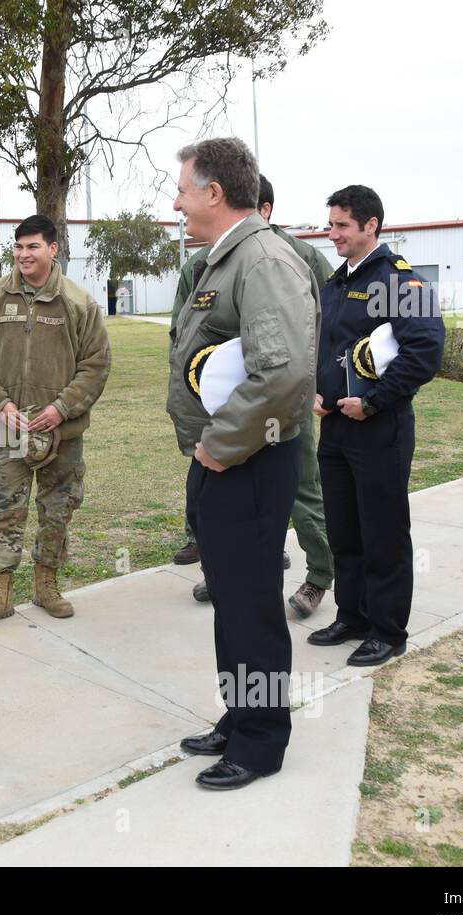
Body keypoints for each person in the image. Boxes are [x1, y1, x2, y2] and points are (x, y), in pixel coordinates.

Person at [167, 139, 318, 790]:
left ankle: (260, 743)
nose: (175, 201)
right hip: (225, 459)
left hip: (248, 460)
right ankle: (241, 713)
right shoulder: (224, 259)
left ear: (213, 193)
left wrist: (218, 446)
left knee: (252, 604)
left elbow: (282, 374)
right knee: (230, 600)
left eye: (182, 189)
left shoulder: (262, 260)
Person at [172, 175, 334, 618]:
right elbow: (181, 335)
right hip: (223, 409)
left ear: (263, 209)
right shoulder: (201, 263)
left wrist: (319, 385)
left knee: (302, 488)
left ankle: (319, 574)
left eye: (184, 193)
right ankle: (226, 567)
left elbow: (327, 325)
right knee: (222, 494)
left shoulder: (292, 257)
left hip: (281, 404)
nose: (177, 205)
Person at [308, 185, 444, 666]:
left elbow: (426, 351)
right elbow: (326, 350)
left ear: (372, 226)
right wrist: (319, 395)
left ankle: (388, 630)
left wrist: (374, 402)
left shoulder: (397, 281)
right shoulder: (335, 283)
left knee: (382, 531)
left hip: (378, 428)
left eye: (342, 225)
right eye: (331, 224)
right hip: (336, 429)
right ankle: (353, 616)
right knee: (344, 529)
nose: (333, 234)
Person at [0, 214, 111, 629]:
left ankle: (47, 585)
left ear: (53, 249)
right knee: (3, 509)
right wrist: (0, 404)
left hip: (61, 432)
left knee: (57, 508)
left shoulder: (79, 303)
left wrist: (61, 408)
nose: (24, 255)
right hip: (8, 429)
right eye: (19, 247)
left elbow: (96, 364)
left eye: (33, 247)